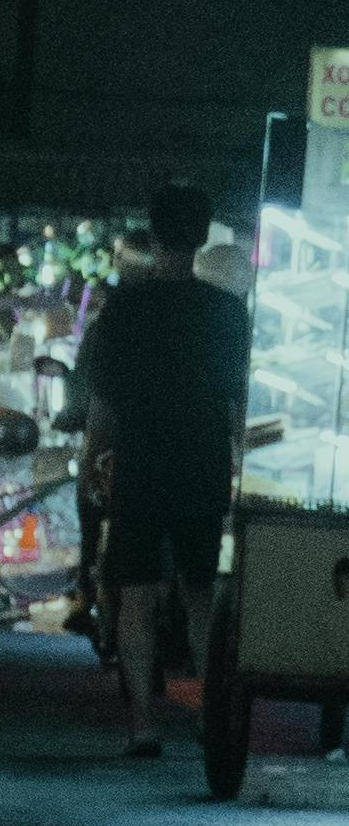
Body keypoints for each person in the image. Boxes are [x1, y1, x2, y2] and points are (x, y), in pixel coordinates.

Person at [71, 179, 254, 757]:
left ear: (152, 236)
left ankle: (143, 727)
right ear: (203, 238)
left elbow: (105, 400)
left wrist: (90, 460)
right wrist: (242, 463)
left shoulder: (124, 306)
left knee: (137, 592)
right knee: (203, 594)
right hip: (202, 460)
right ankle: (208, 717)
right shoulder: (227, 311)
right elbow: (236, 404)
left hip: (140, 460)